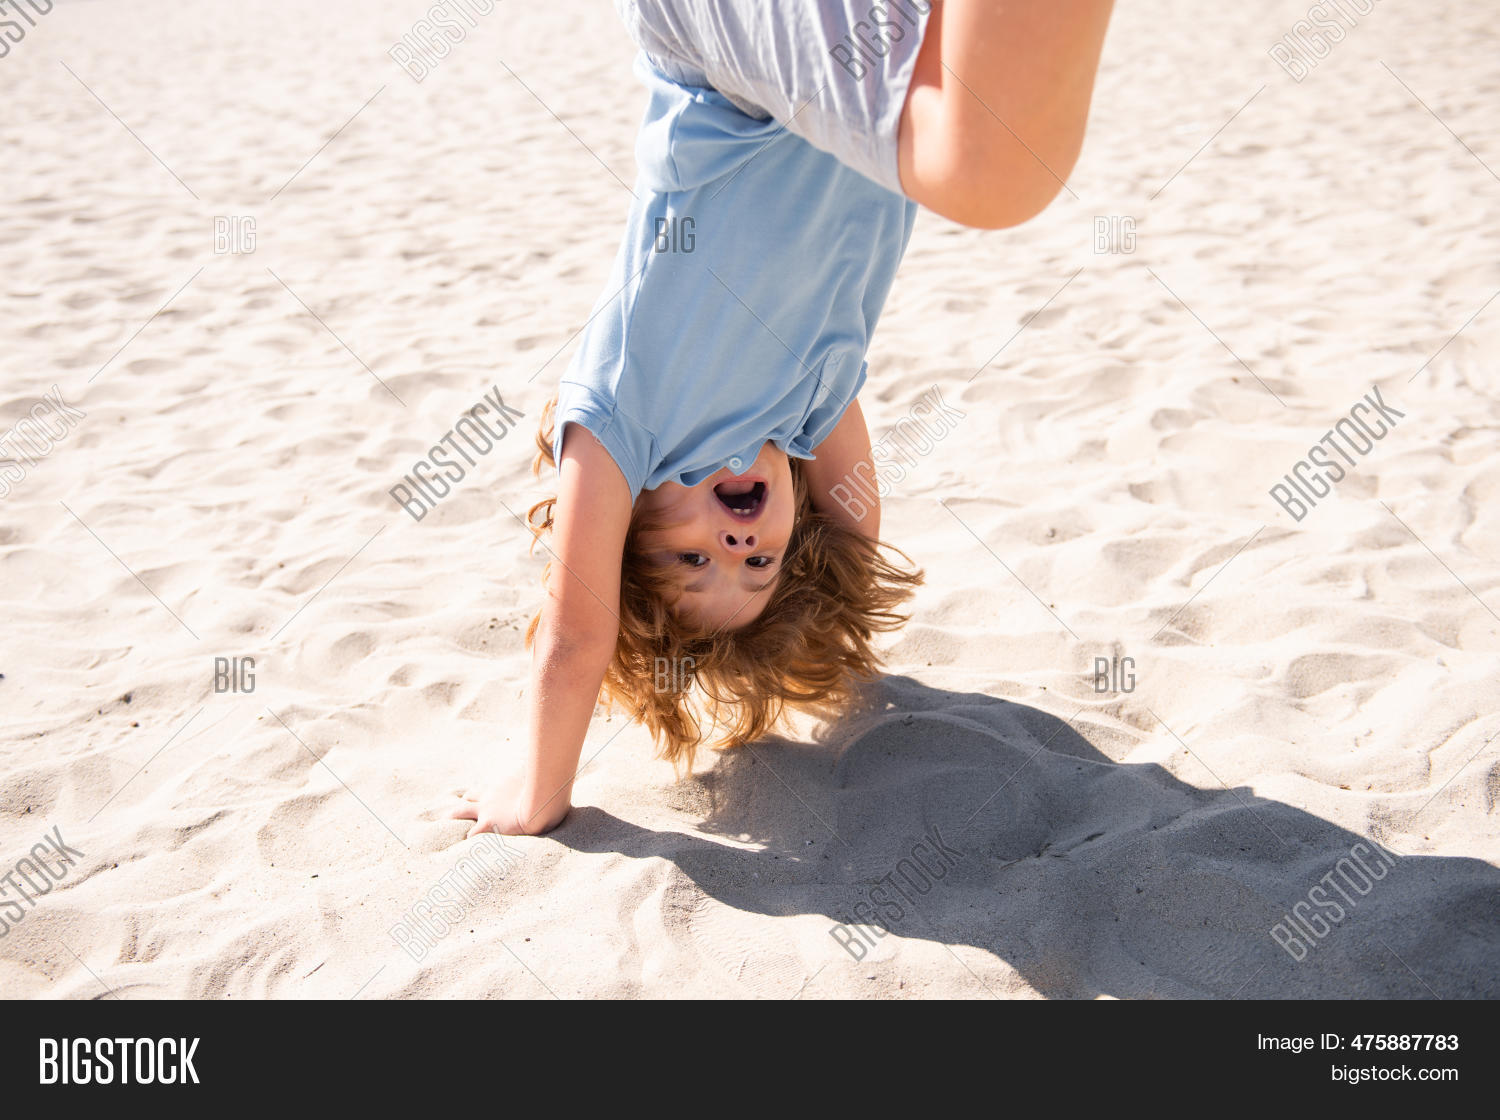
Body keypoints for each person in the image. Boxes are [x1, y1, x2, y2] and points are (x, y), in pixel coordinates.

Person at [451, 0, 1116, 837]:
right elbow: (853, 539)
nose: (735, 547)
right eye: (760, 564)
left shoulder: (626, 418)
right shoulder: (811, 399)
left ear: (628, 526)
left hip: (723, 69)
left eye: (692, 558)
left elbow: (578, 636)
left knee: (989, 170)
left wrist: (538, 791)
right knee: (972, 111)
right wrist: (832, 634)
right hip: (828, 75)